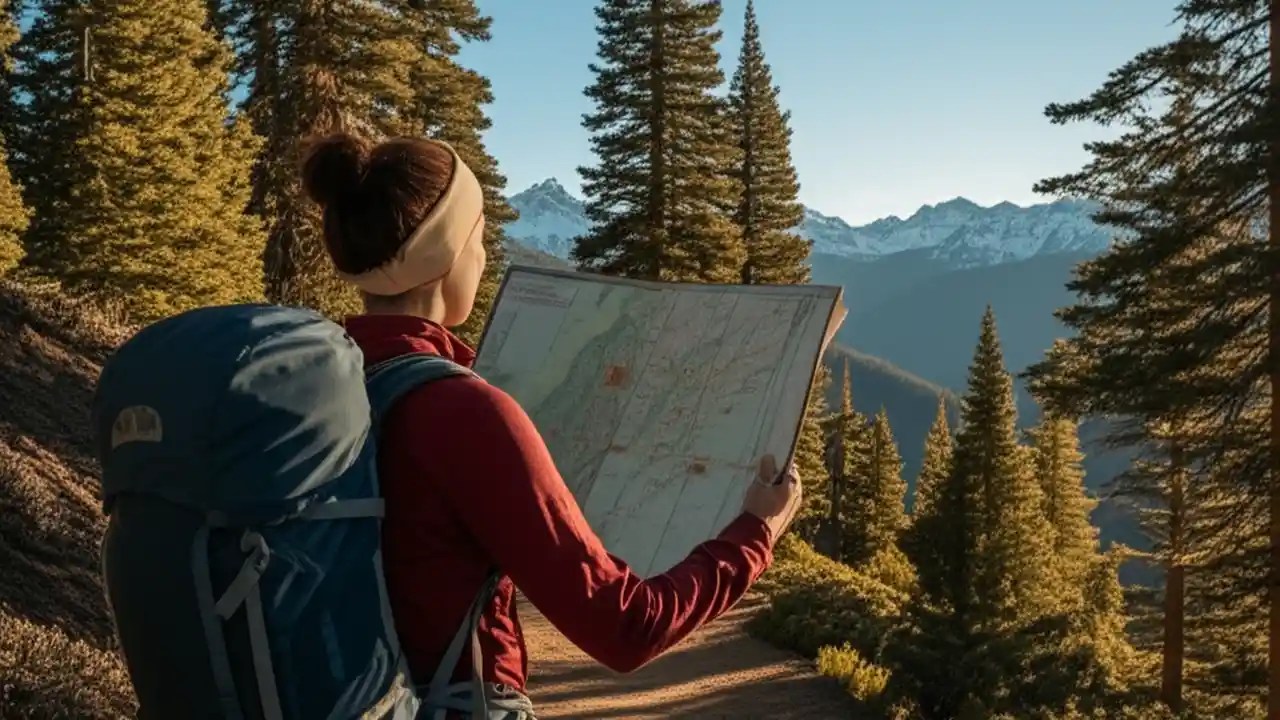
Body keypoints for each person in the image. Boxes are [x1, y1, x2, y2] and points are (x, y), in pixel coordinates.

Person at [300, 132, 804, 719]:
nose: (485, 256)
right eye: (480, 236)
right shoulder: (467, 415)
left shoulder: (325, 386)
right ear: (447, 258)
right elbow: (627, 628)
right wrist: (756, 534)